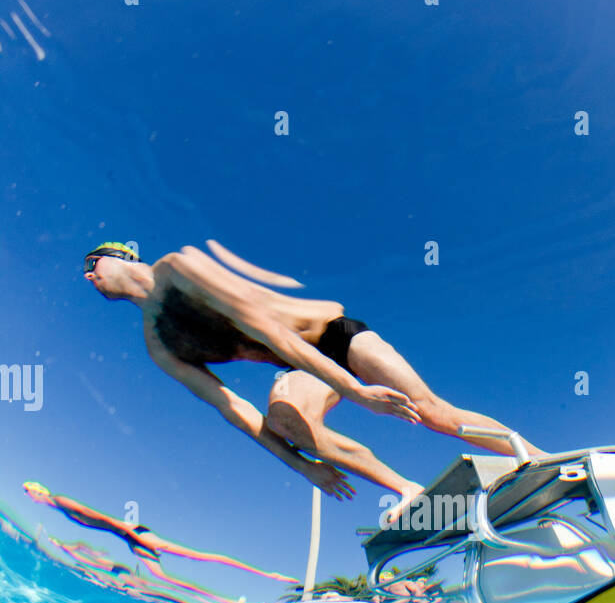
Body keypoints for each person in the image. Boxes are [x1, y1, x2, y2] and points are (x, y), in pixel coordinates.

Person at [83, 240, 541, 506]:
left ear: (123, 255)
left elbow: (269, 332)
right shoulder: (159, 345)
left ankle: (540, 459)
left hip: (333, 338)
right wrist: (302, 467)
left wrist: (358, 391)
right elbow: (232, 408)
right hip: (300, 365)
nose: (88, 277)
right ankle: (410, 493)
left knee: (432, 413)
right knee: (285, 422)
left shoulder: (179, 269)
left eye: (92, 265)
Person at [22, 481, 298, 583]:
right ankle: (224, 602)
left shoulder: (59, 501)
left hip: (135, 533)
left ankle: (267, 575)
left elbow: (100, 517)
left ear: (38, 490)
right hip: (130, 539)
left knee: (197, 556)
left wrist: (134, 536)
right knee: (161, 578)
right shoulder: (57, 508)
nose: (28, 497)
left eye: (28, 492)